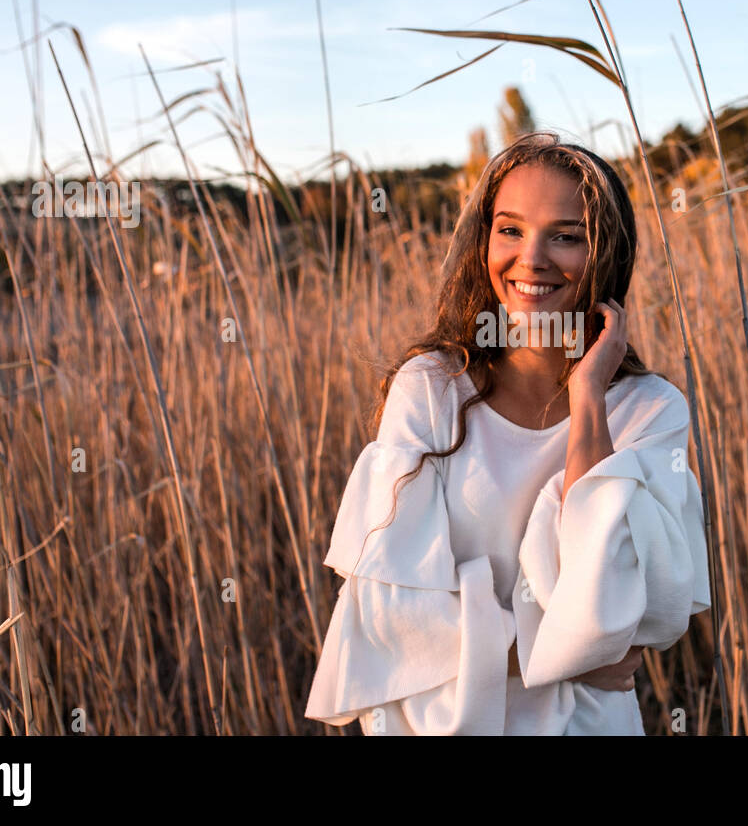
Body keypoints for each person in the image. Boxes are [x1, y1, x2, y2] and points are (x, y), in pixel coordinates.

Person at [304, 130, 711, 735]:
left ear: (606, 254)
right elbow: (383, 616)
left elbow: (625, 602)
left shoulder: (649, 410)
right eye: (511, 229)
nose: (532, 258)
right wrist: (562, 653)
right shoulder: (432, 390)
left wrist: (588, 398)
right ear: (484, 239)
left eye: (567, 236)